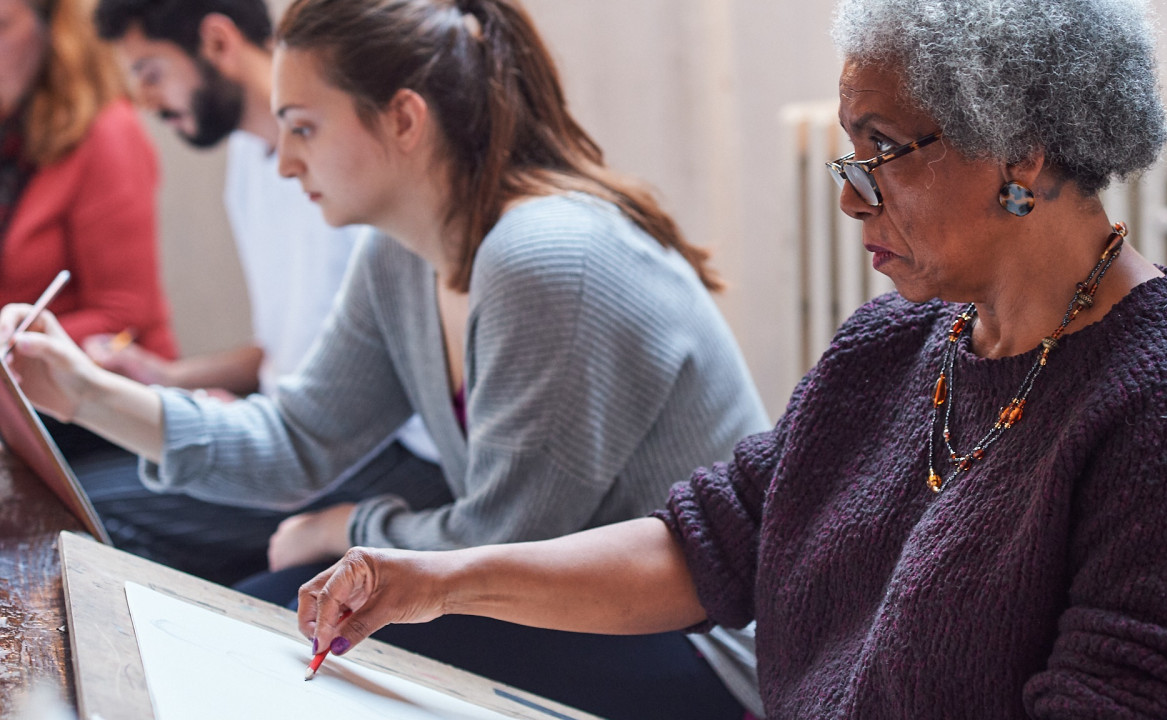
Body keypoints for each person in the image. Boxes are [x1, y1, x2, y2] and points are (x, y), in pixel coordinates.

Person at [286, 0, 1167, 717]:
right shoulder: (890, 347)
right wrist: (438, 582)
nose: (848, 196)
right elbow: (708, 545)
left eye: (878, 150)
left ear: (1019, 153)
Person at [0, 0, 770, 717]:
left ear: (403, 119)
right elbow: (296, 439)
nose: (284, 163)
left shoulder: (544, 259)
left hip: (702, 645)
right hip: (541, 601)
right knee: (255, 616)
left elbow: (503, 546)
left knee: (278, 644)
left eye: (304, 128)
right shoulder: (397, 256)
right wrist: (82, 392)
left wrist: (348, 525)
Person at [76, 0, 443, 586]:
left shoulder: (355, 177)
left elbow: (354, 395)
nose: (144, 100)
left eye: (151, 72)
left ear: (218, 42)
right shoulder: (251, 160)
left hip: (386, 449)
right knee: (79, 498)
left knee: (93, 519)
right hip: (304, 429)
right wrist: (167, 378)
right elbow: (287, 353)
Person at [0, 0, 175, 361]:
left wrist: (12, 343)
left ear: (53, 28)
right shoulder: (11, 132)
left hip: (102, 383)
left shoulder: (109, 132)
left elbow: (125, 315)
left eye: (1, 26)